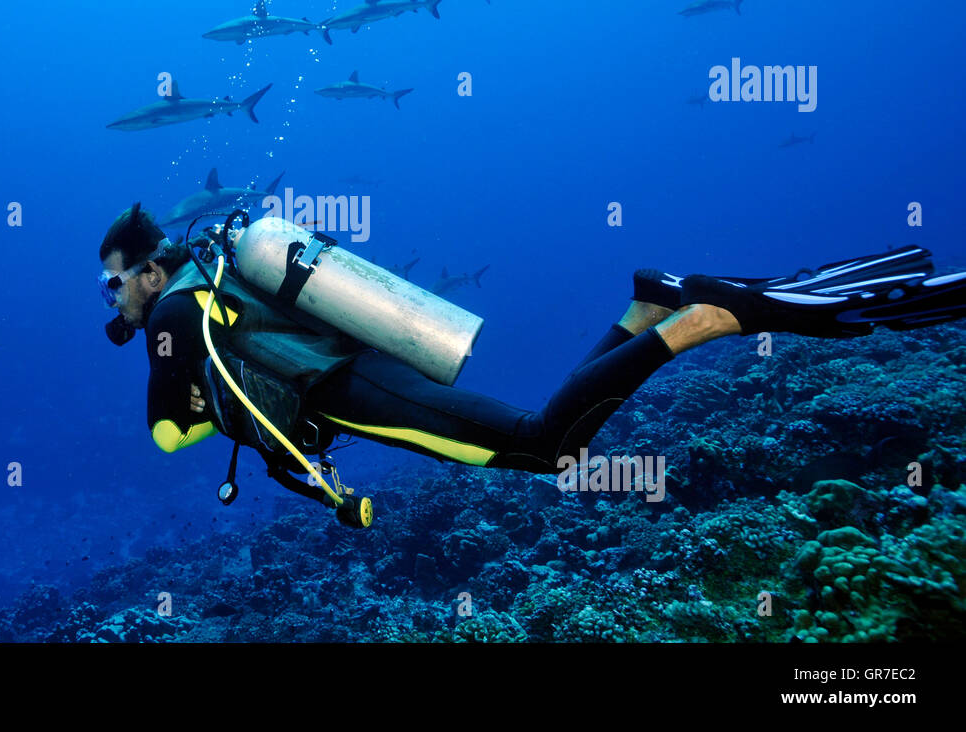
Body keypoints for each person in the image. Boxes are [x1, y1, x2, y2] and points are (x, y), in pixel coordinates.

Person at [99, 203, 966, 506]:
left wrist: (195, 407)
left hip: (347, 390)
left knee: (548, 450)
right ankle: (646, 306)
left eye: (114, 284)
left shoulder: (174, 311)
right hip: (353, 370)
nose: (112, 301)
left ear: (147, 271)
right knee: (539, 432)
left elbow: (169, 437)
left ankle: (701, 321)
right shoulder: (213, 275)